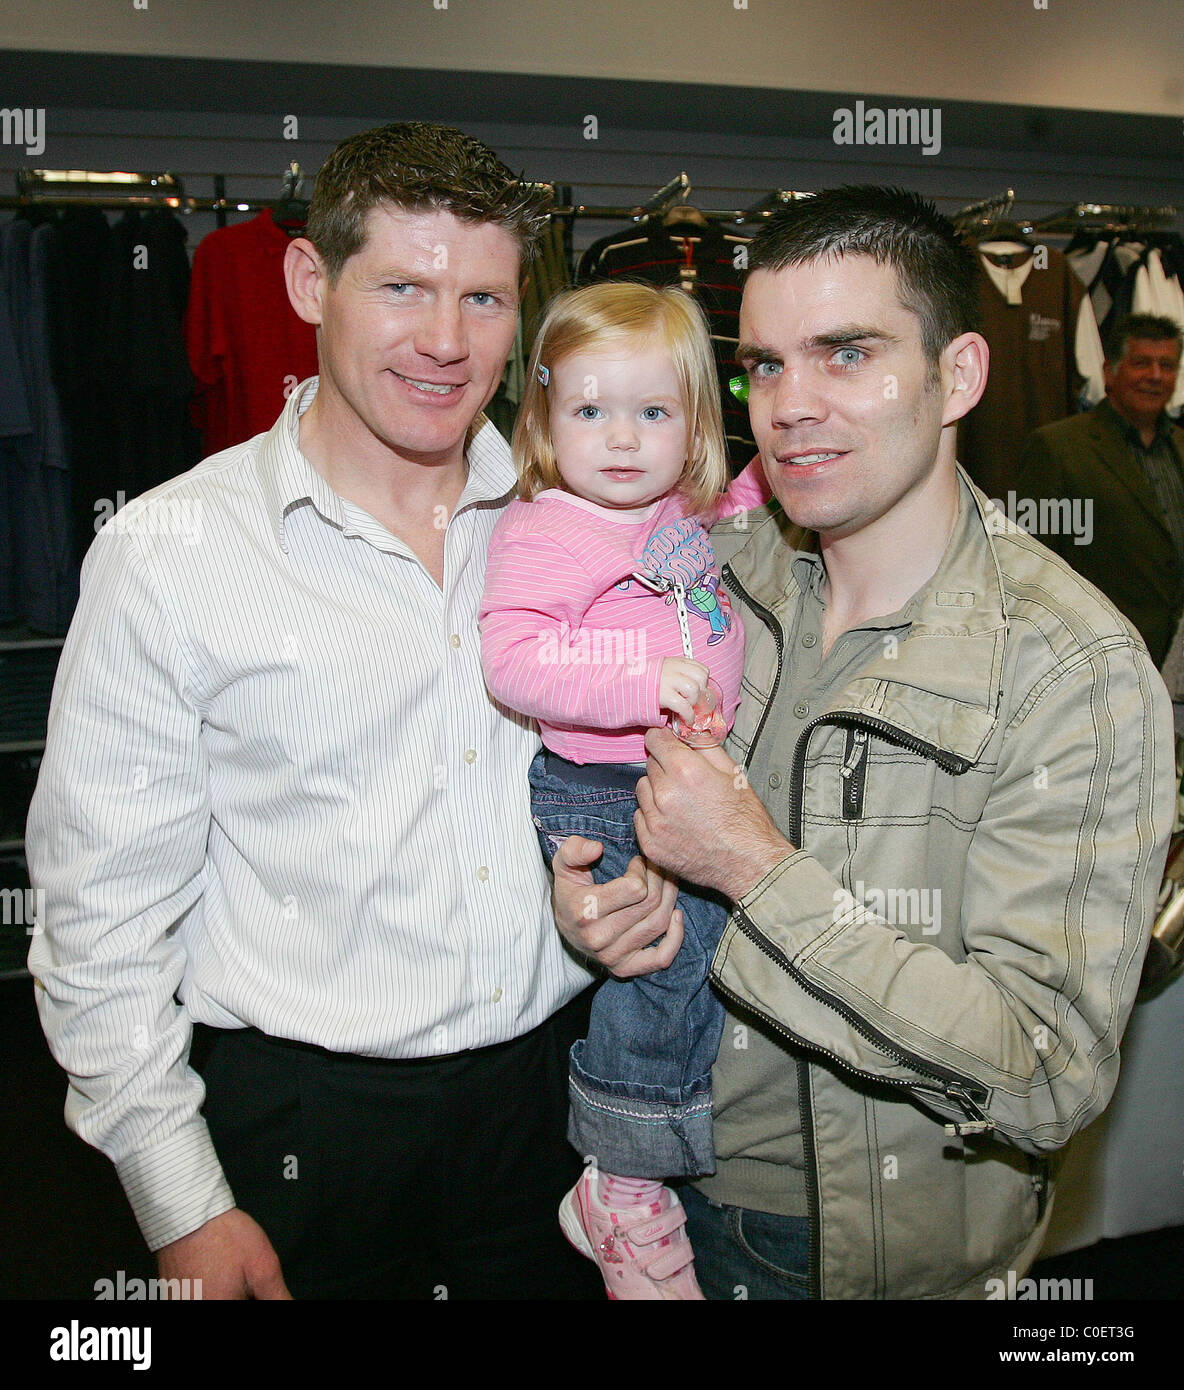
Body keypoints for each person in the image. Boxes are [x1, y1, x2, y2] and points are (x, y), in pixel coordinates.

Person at [549, 185, 1176, 1300]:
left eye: (845, 354)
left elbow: (1042, 1069)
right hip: (653, 1193)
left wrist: (749, 866)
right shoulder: (706, 573)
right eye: (768, 364)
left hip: (855, 1252)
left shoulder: (1067, 664)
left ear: (960, 377)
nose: (789, 404)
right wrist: (607, 899)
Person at [25, 121, 602, 1300]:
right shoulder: (169, 551)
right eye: (402, 286)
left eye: (485, 299)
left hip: (548, 1105)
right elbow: (99, 909)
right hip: (302, 1127)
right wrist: (180, 1201)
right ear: (308, 283)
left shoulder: (576, 525)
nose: (446, 341)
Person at [480, 280, 769, 1299]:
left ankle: (644, 1150)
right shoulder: (547, 526)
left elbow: (759, 492)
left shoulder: (687, 508)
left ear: (692, 420)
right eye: (588, 410)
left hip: (680, 773)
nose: (619, 438)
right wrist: (637, 683)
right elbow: (511, 662)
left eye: (652, 412)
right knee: (664, 961)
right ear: (544, 420)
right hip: (599, 785)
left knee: (697, 966)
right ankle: (622, 1173)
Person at [1016, 314, 1184, 683]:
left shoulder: (1180, 446)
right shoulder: (1059, 448)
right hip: (1098, 660)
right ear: (1110, 372)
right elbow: (1032, 566)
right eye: (1141, 363)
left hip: (1176, 663)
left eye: (1167, 365)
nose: (1155, 376)